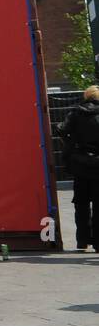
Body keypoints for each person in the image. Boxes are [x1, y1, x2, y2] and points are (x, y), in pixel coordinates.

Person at [60, 85, 99, 252]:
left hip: (81, 164)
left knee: (81, 204)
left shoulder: (76, 113)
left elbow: (61, 129)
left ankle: (82, 241)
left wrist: (73, 143)